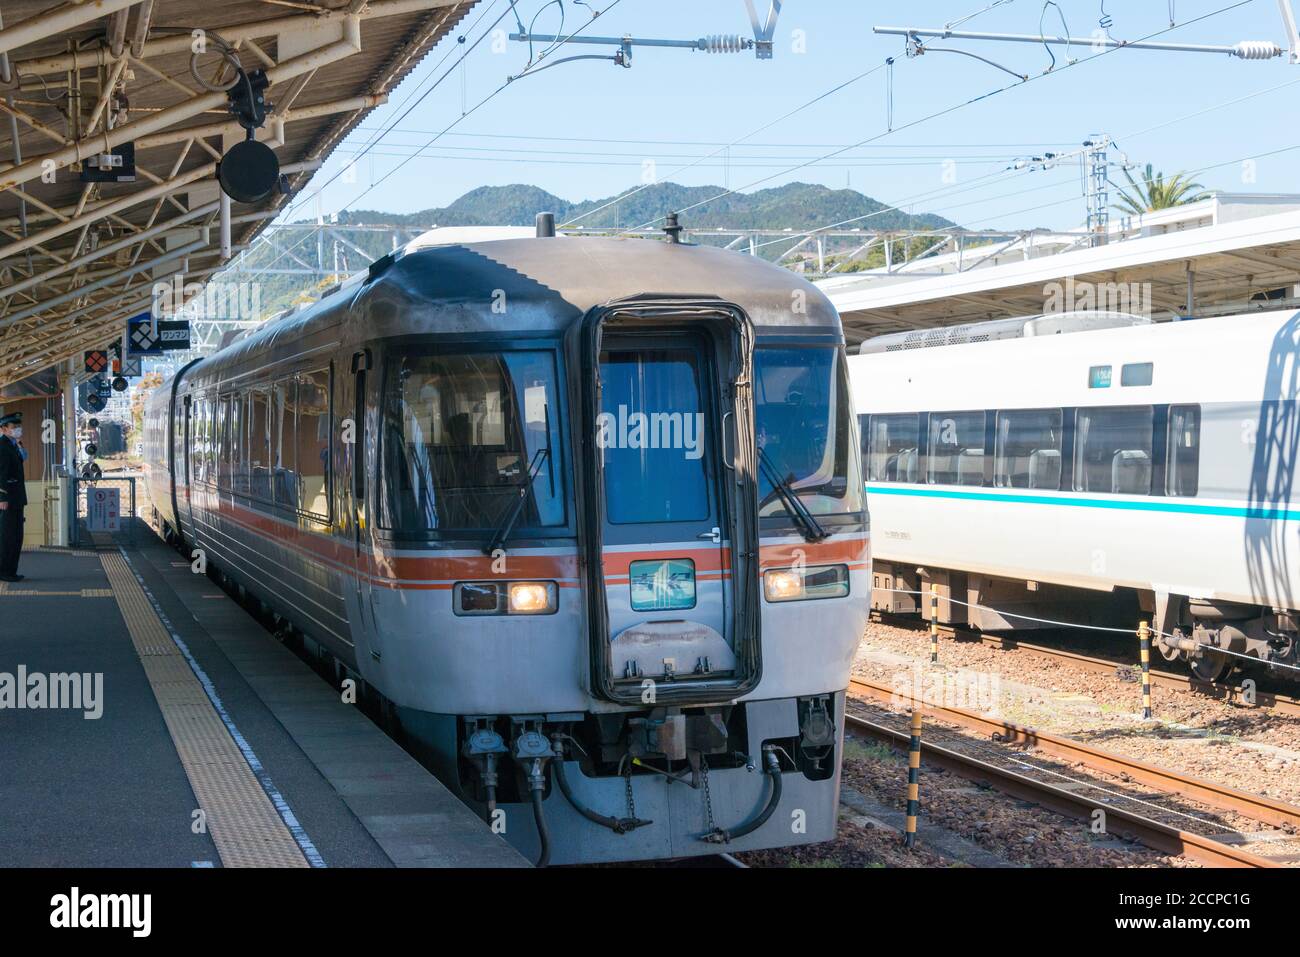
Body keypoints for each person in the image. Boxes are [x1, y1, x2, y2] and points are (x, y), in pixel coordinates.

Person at [0, 411, 28, 583]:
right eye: (14, 427)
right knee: (8, 536)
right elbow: (0, 473)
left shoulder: (13, 444)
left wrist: (19, 445)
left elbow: (23, 459)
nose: (18, 429)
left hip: (17, 496)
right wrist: (2, 497)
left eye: (19, 426)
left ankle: (11, 570)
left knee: (17, 535)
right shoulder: (2, 446)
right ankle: (5, 571)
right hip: (8, 498)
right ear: (3, 429)